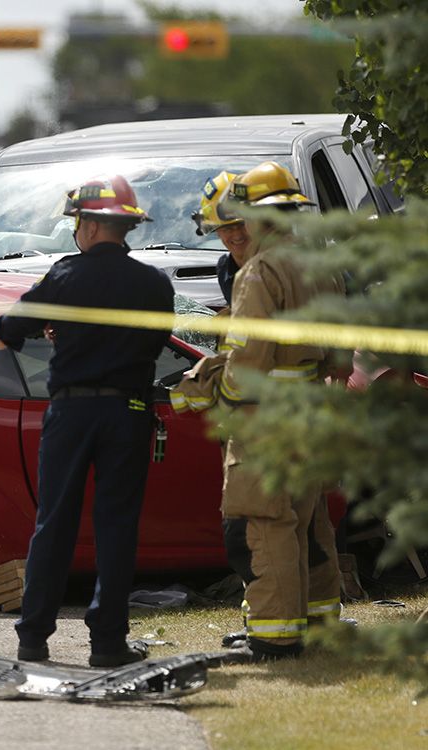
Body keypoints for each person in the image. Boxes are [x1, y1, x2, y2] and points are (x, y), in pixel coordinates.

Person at [0, 175, 174, 668]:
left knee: (55, 522)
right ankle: (107, 644)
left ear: (86, 224)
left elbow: (7, 330)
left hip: (72, 411)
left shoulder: (64, 275)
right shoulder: (154, 284)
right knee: (117, 528)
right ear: (125, 226)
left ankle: (34, 639)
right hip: (128, 411)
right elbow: (153, 348)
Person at [179, 161, 344, 660]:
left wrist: (211, 395)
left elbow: (249, 361)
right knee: (306, 520)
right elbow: (338, 351)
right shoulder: (321, 266)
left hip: (265, 416)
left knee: (260, 522)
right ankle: (316, 623)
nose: (232, 233)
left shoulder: (261, 272)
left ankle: (274, 636)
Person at [191, 170, 250, 308]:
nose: (237, 235)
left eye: (242, 225)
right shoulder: (225, 268)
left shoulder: (278, 266)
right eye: (227, 228)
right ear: (216, 231)